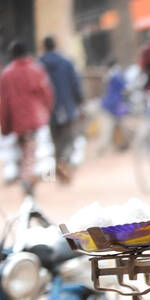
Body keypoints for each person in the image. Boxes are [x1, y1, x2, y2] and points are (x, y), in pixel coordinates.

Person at [0, 41, 54, 194]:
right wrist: (46, 113)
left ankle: (25, 177)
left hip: (17, 122)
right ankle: (28, 178)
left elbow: (4, 103)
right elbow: (47, 94)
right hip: (35, 119)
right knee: (31, 150)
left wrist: (5, 126)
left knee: (24, 150)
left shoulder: (7, 74)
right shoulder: (36, 70)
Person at [39, 36, 83, 182]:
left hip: (48, 110)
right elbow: (75, 84)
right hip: (67, 107)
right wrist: (80, 101)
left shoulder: (39, 65)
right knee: (69, 139)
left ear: (44, 46)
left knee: (55, 140)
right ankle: (64, 162)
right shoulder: (66, 63)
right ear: (55, 45)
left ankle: (59, 163)